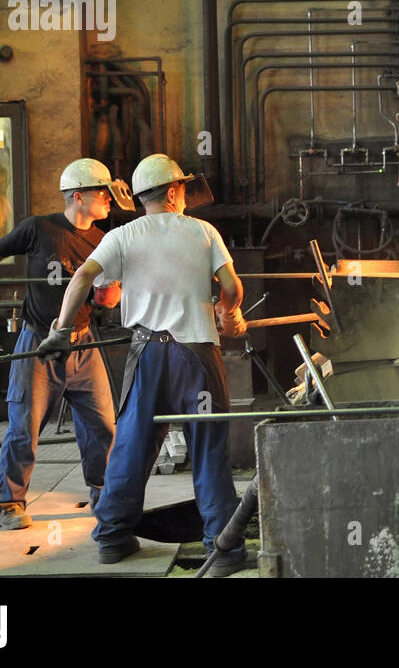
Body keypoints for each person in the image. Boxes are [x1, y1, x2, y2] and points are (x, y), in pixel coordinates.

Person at [39, 153, 249, 576]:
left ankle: (114, 538)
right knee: (208, 449)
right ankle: (223, 548)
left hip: (148, 352)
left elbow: (82, 278)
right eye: (184, 191)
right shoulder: (204, 232)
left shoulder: (123, 235)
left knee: (133, 444)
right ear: (173, 192)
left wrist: (60, 332)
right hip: (197, 357)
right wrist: (231, 315)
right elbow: (230, 285)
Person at [0, 158, 134, 530]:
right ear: (78, 196)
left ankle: (102, 493)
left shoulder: (102, 240)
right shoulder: (39, 228)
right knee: (24, 426)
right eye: (102, 193)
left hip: (83, 345)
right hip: (39, 342)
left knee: (102, 425)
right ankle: (9, 503)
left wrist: (109, 293)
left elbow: (108, 298)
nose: (108, 201)